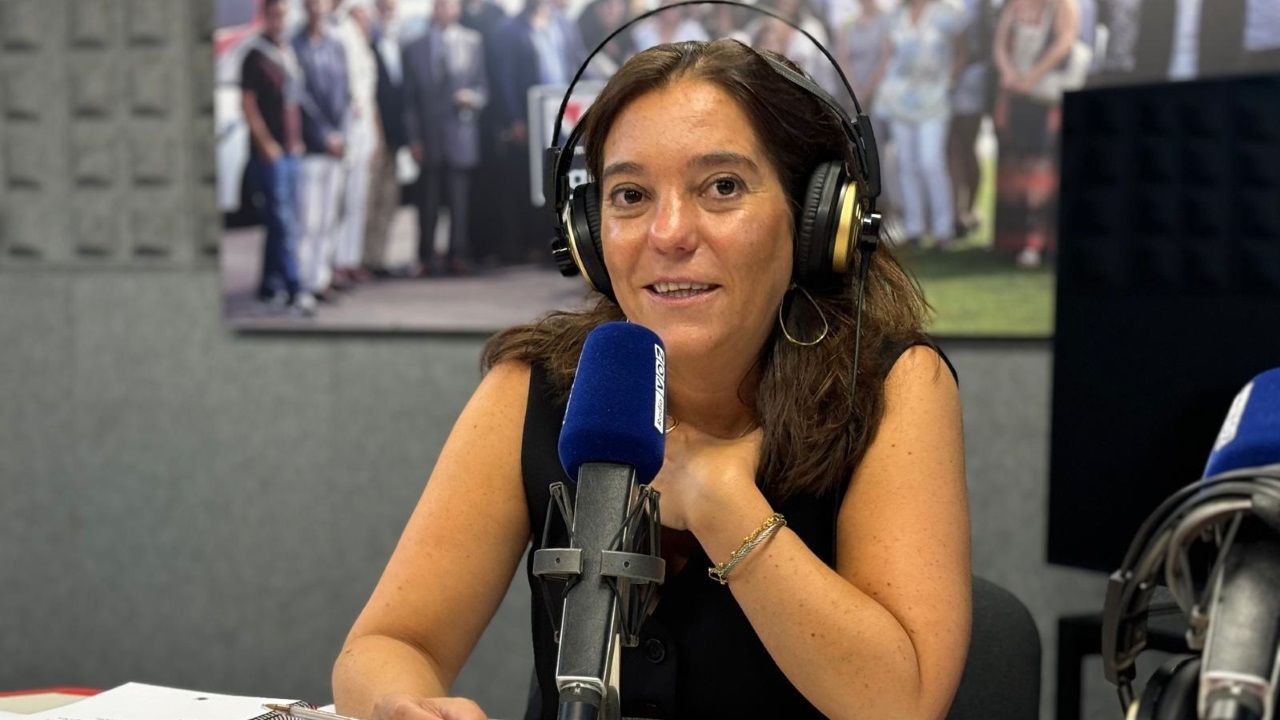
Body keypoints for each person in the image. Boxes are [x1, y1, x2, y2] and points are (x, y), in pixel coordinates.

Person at [332, 39, 970, 720]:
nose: (668, 232)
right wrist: (401, 705)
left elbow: (901, 703)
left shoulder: (890, 386)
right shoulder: (538, 387)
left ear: (816, 221)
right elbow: (392, 641)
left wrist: (720, 500)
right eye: (631, 195)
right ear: (587, 231)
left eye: (721, 187)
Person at [402, 0, 489, 275]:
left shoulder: (473, 41)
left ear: (457, 10)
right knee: (426, 202)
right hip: (428, 137)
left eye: (449, 5)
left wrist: (472, 99)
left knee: (459, 202)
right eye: (439, 5)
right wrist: (414, 139)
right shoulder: (414, 46)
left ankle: (457, 255)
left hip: (460, 133)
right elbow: (409, 101)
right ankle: (426, 257)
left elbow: (483, 87)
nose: (444, 10)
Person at [992, 0, 1078, 268]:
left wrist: (1032, 76)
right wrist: (1009, 74)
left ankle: (1037, 242)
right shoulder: (1014, 6)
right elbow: (1000, 45)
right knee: (1014, 168)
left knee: (1041, 171)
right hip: (1016, 95)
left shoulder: (1064, 6)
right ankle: (1012, 240)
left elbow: (1065, 42)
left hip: (1047, 98)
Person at [877, 0, 969, 250]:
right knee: (906, 163)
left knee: (931, 161)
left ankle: (943, 229)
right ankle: (914, 227)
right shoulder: (898, 15)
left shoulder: (948, 13)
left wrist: (950, 78)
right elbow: (889, 54)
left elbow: (962, 51)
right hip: (900, 97)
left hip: (935, 97)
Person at [240, 0, 313, 315]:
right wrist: (266, 143)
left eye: (284, 14)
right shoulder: (255, 55)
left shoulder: (288, 50)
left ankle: (270, 286)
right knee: (284, 222)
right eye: (274, 14)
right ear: (265, 16)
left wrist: (298, 141)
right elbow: (248, 104)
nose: (280, 19)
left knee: (279, 220)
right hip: (270, 153)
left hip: (292, 150)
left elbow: (294, 102)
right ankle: (296, 287)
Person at [293, 0, 351, 303]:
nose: (318, 8)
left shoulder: (335, 45)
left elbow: (344, 91)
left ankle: (320, 279)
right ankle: (302, 282)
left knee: (329, 218)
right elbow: (300, 99)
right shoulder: (295, 45)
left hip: (335, 147)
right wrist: (324, 135)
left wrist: (340, 134)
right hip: (311, 147)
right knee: (308, 220)